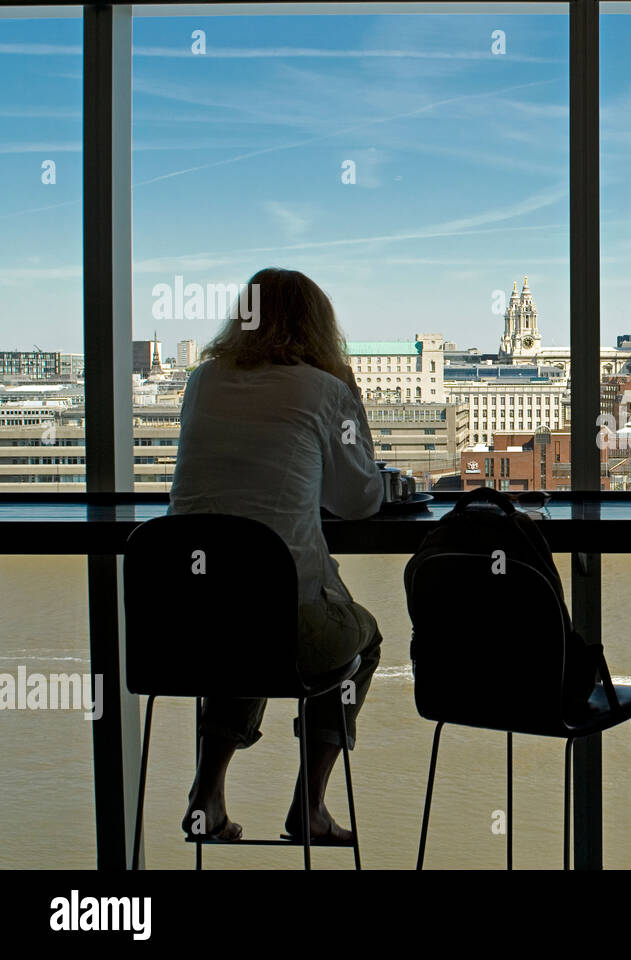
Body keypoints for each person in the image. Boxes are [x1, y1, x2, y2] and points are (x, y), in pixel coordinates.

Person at [168, 267, 385, 844]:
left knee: (241, 619)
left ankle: (206, 794)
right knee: (358, 638)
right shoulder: (325, 390)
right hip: (273, 621)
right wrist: (352, 408)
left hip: (183, 624)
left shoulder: (202, 381)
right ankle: (309, 807)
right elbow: (360, 501)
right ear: (319, 327)